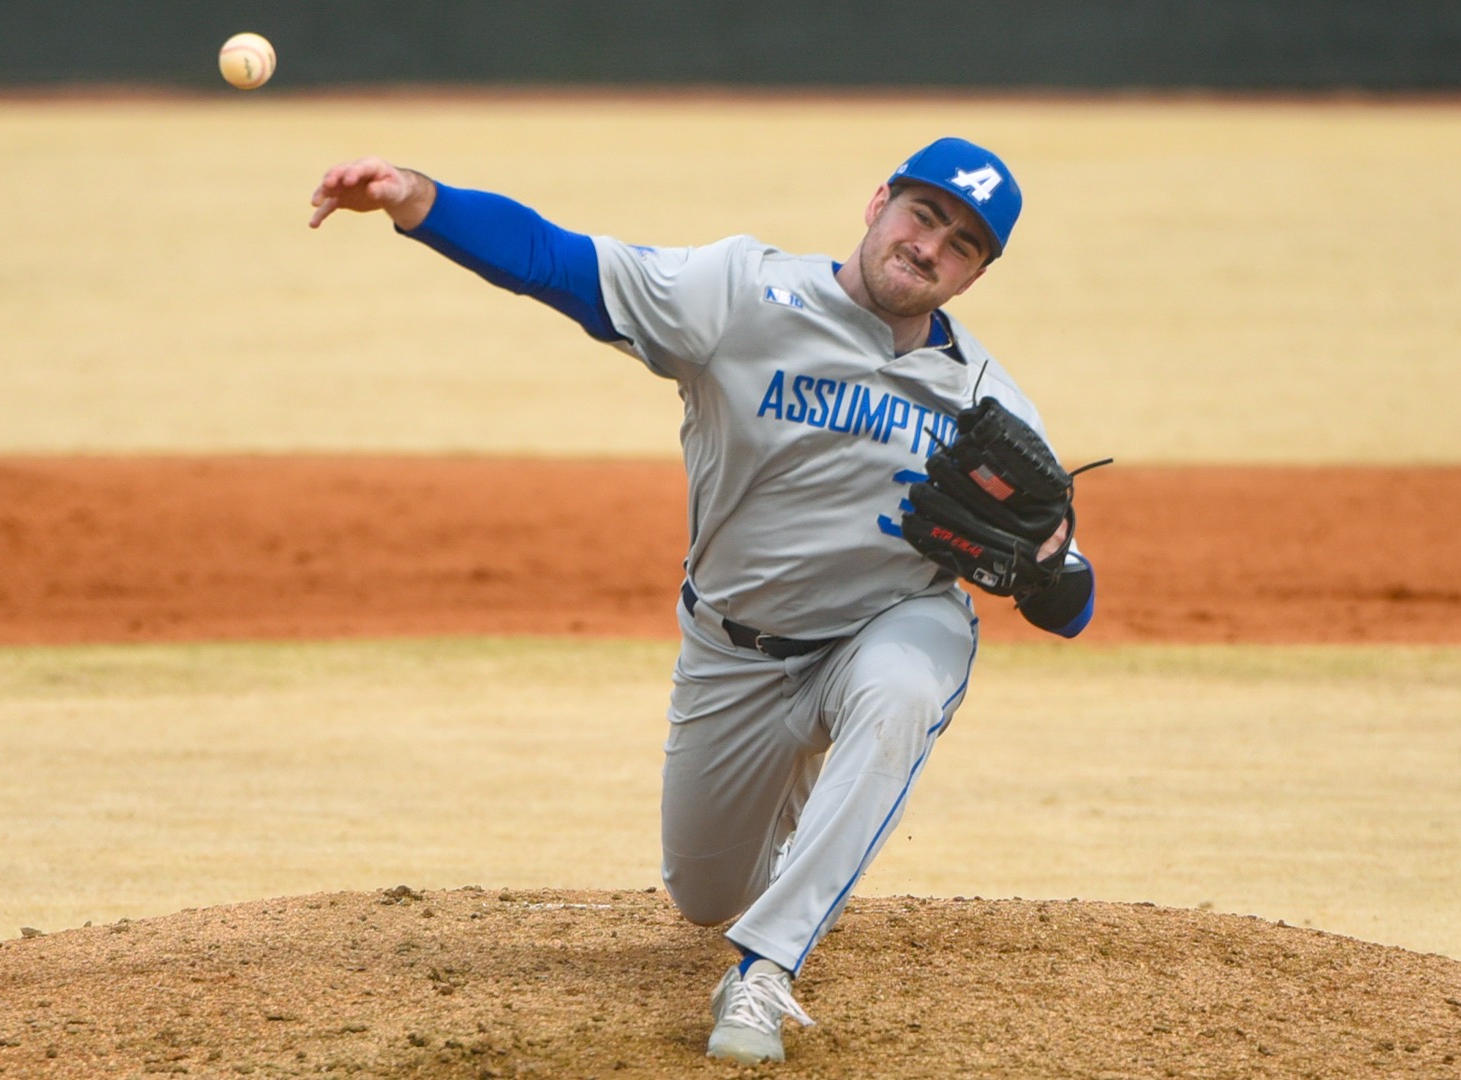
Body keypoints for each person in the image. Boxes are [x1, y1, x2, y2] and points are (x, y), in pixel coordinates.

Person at [308, 136, 1095, 1064]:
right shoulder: (739, 296)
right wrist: (416, 197)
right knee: (704, 895)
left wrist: (1047, 566)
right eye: (924, 214)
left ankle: (763, 976)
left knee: (902, 693)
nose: (930, 246)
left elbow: (1071, 601)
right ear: (879, 201)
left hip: (884, 630)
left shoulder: (984, 403)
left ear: (976, 275)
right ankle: (794, 803)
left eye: (963, 243)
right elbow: (557, 262)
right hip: (734, 654)